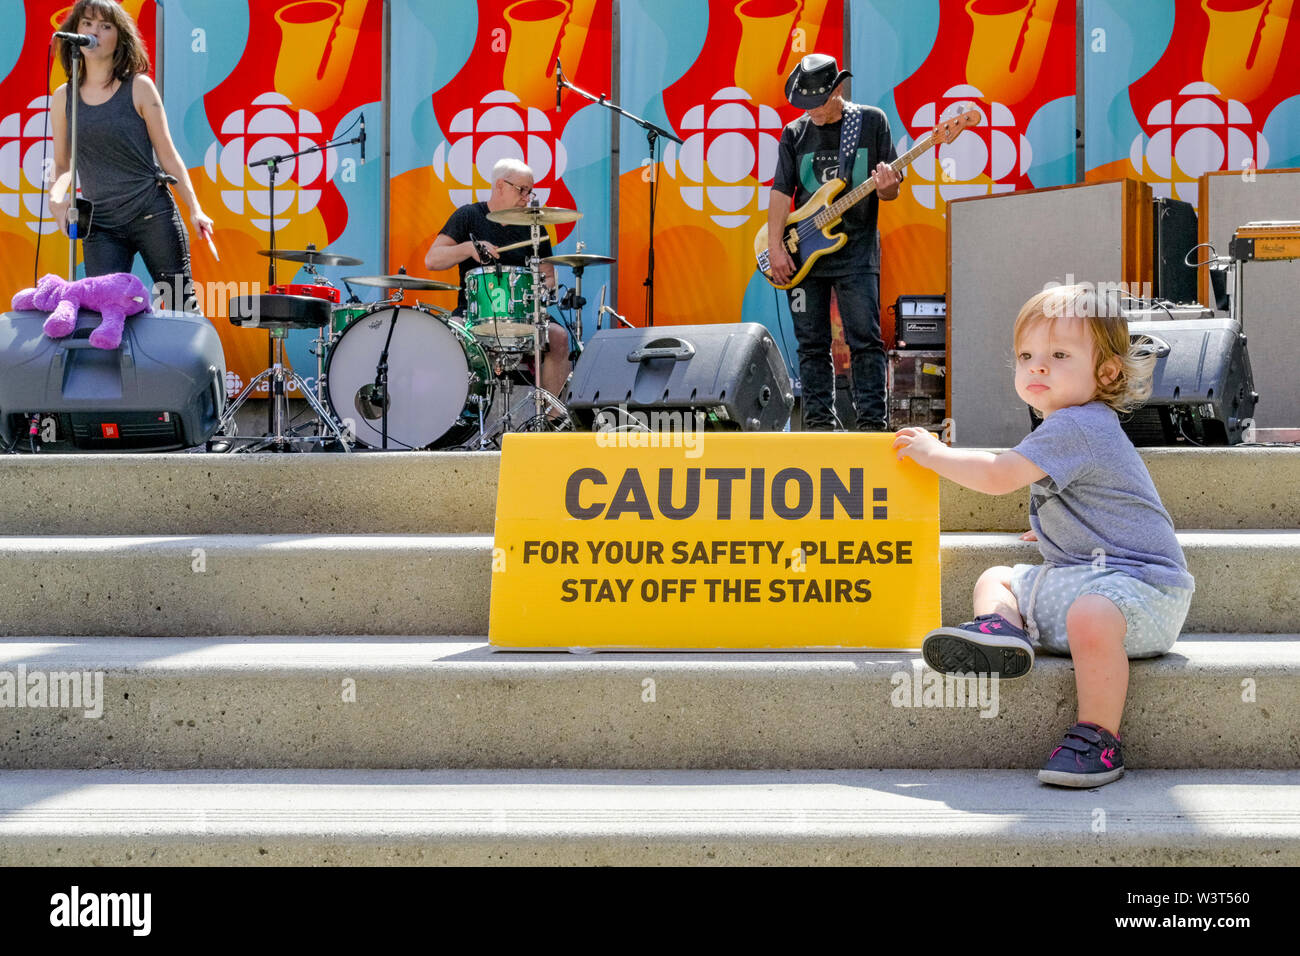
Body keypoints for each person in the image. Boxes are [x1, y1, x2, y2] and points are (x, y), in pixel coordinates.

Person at [893, 284, 1195, 788]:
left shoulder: (1079, 425)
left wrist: (933, 453)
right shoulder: (1063, 425)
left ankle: (1098, 738)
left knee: (1091, 612)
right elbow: (1088, 500)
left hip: (1146, 594)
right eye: (1026, 355)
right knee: (998, 578)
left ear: (1107, 372)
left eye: (1058, 355)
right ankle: (1001, 632)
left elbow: (996, 476)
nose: (1037, 366)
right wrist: (1053, 530)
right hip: (1088, 578)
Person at [48, 0, 214, 312]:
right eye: (86, 24)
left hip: (151, 213)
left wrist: (195, 208)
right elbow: (62, 164)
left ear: (119, 38)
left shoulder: (139, 87)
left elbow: (167, 154)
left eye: (104, 26)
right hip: (101, 223)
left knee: (179, 302)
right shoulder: (63, 97)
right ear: (75, 31)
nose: (93, 31)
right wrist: (56, 196)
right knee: (105, 309)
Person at [766, 54, 901, 431]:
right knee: (811, 343)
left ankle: (873, 423)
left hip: (856, 251)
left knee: (865, 339)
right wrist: (776, 247)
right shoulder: (794, 132)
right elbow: (780, 191)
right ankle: (819, 423)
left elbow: (887, 193)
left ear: (838, 90)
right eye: (805, 105)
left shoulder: (871, 122)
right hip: (803, 253)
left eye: (819, 103)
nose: (813, 113)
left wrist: (888, 187)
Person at [425, 157, 571, 401]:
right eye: (522, 190)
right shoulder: (469, 215)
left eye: (530, 191)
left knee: (559, 336)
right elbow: (432, 260)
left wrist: (538, 290)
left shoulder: (534, 226)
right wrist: (469, 248)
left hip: (524, 312)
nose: (528, 198)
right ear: (500, 185)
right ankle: (457, 417)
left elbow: (548, 276)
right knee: (452, 335)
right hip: (474, 312)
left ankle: (552, 420)